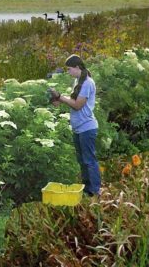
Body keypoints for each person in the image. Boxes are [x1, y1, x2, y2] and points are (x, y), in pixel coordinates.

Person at [49, 54, 101, 197]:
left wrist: (61, 97)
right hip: (78, 128)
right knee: (82, 161)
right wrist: (57, 100)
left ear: (77, 67)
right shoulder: (78, 81)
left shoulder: (88, 83)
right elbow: (73, 100)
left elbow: (78, 105)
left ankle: (96, 191)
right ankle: (86, 190)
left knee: (89, 161)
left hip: (87, 127)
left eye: (69, 69)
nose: (68, 72)